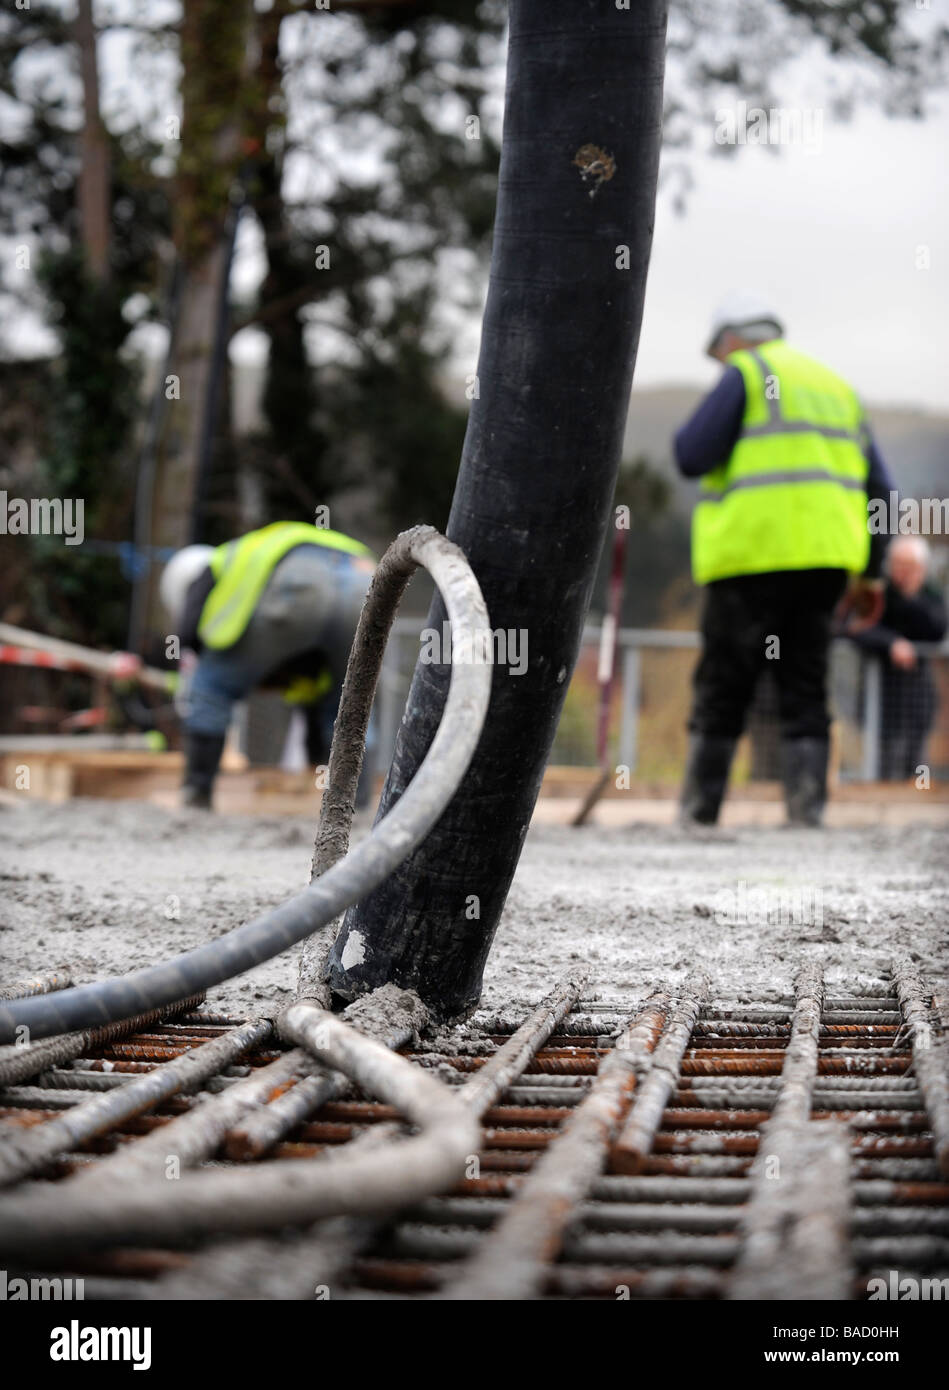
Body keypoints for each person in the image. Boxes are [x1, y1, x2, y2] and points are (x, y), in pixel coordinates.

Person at [673, 290, 894, 827]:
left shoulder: (744, 373)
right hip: (824, 563)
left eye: (717, 355)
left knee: (726, 683)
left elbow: (690, 454)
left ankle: (700, 816)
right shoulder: (836, 387)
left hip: (752, 556)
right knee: (805, 685)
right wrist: (871, 575)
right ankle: (805, 816)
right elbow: (883, 492)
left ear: (730, 341)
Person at [160, 521, 375, 808]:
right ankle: (352, 807)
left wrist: (214, 669)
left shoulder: (214, 564)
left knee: (211, 686)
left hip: (299, 581)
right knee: (347, 705)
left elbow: (188, 634)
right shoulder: (259, 549)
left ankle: (197, 793)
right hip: (365, 579)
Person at [850, 536, 947, 780]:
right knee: (885, 762)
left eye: (908, 565)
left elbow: (937, 630)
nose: (901, 571)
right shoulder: (876, 593)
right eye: (897, 564)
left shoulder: (930, 595)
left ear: (921, 568)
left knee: (916, 763)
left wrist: (911, 598)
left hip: (918, 695)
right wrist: (891, 642)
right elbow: (856, 627)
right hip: (880, 695)